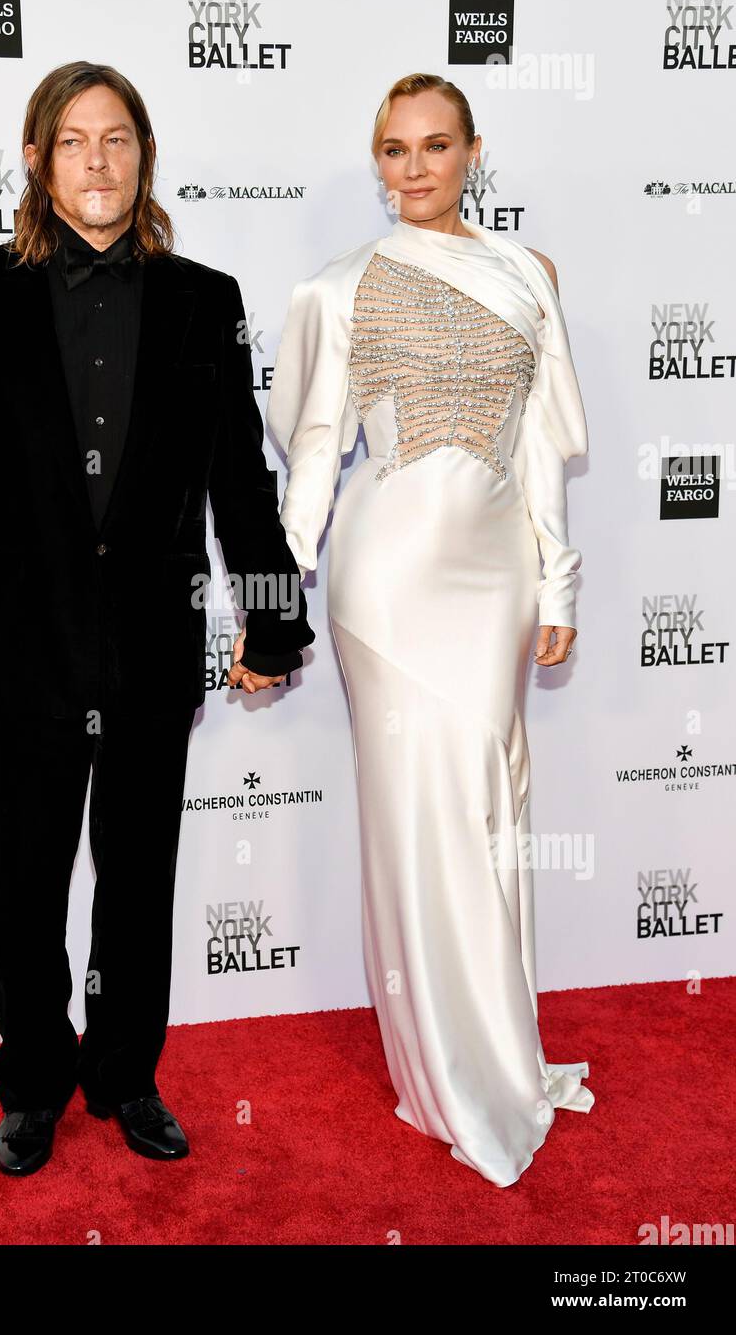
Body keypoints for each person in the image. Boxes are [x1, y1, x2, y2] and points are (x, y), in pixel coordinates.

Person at [0, 61, 313, 1176]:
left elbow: (242, 480)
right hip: (26, 650)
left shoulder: (205, 300)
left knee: (139, 880)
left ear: (144, 153)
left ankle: (126, 1075)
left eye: (117, 138)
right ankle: (33, 1080)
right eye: (73, 139)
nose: (98, 159)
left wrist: (273, 618)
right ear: (37, 159)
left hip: (149, 646)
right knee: (25, 884)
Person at [265, 72, 594, 1187]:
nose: (413, 168)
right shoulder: (335, 288)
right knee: (425, 817)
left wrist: (557, 587)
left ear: (471, 153)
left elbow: (542, 446)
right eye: (393, 150)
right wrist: (276, 598)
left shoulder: (527, 274)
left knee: (490, 803)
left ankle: (501, 1044)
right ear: (376, 161)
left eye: (434, 147)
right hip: (388, 580)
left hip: (494, 574)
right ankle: (450, 1072)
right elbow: (313, 448)